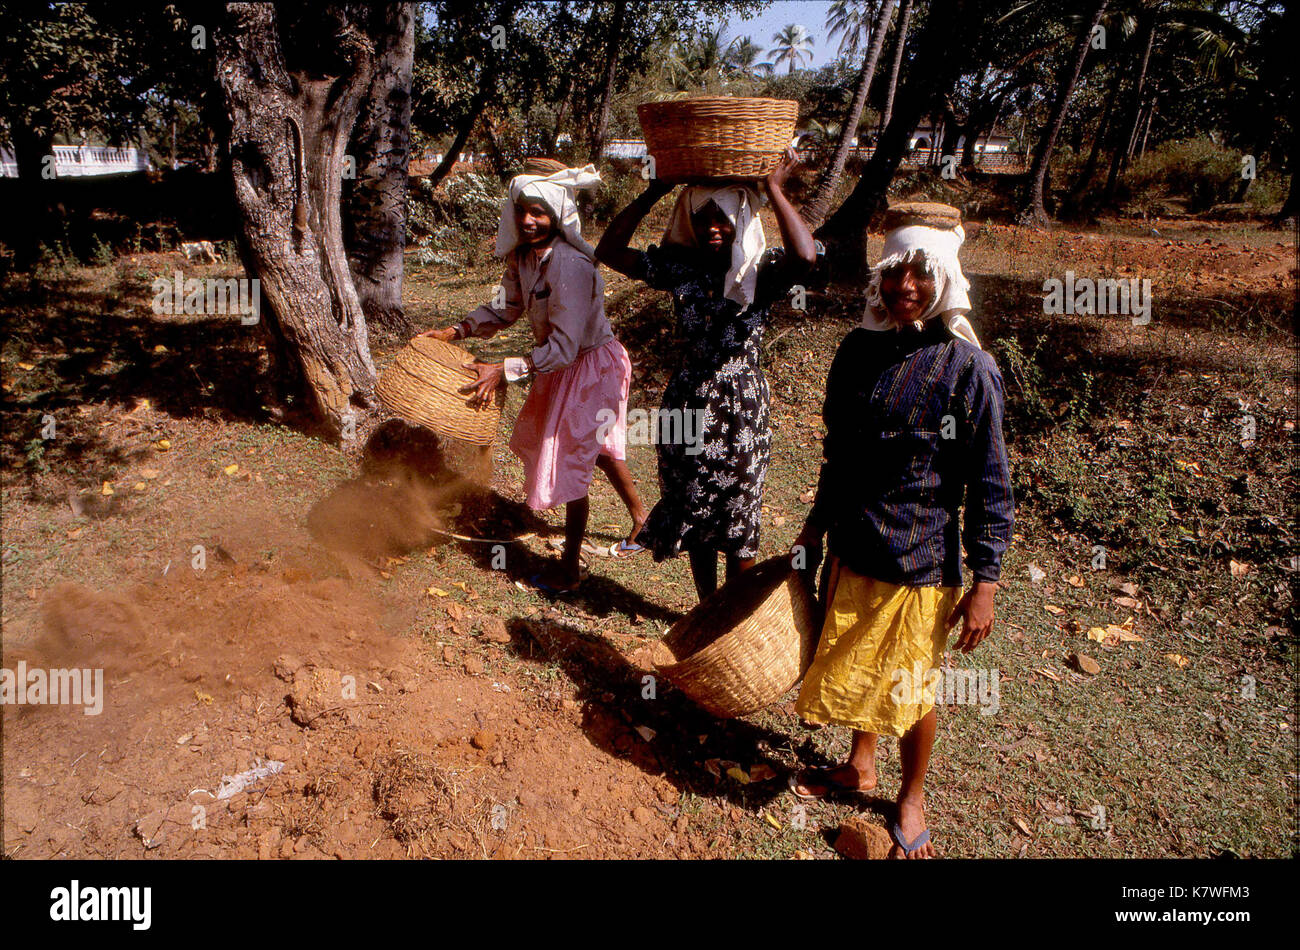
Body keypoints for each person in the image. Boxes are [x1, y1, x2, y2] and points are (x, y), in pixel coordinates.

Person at [787, 205, 1014, 859]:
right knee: (859, 663)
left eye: (919, 274)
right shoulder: (858, 352)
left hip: (922, 556)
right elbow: (839, 455)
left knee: (910, 687)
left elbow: (990, 482)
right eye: (893, 274)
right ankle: (860, 764)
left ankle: (911, 794)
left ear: (943, 279)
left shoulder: (970, 370)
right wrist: (812, 529)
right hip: (854, 543)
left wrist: (987, 581)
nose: (903, 287)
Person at [595, 149, 817, 600]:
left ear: (741, 219)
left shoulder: (761, 271)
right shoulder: (682, 269)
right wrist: (655, 190)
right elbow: (609, 250)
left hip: (739, 405)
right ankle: (706, 607)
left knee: (737, 517)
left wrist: (773, 188)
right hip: (687, 399)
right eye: (703, 219)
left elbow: (807, 258)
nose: (713, 228)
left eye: (724, 219)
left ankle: (733, 619)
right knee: (693, 508)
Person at [422, 161, 647, 592]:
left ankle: (568, 570)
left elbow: (563, 346)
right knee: (593, 448)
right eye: (523, 210)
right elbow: (506, 306)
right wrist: (459, 329)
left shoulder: (570, 267)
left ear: (557, 216)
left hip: (590, 367)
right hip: (561, 365)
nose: (528, 220)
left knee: (568, 456)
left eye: (539, 213)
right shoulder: (524, 258)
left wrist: (504, 371)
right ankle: (642, 517)